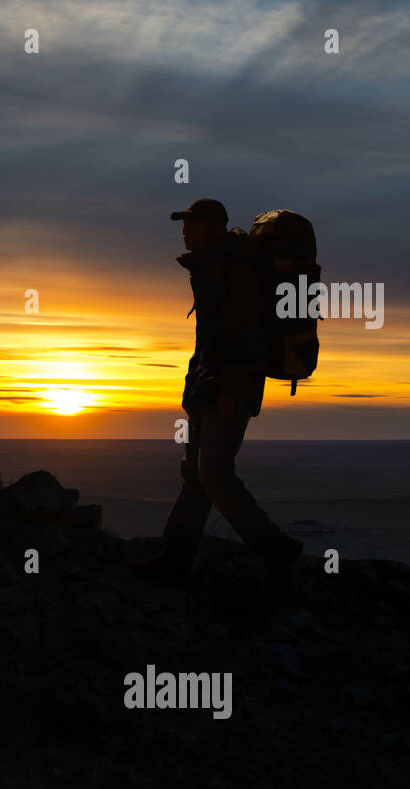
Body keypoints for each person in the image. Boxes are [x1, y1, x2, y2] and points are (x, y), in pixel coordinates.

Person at [129, 198, 303, 595]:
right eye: (184, 224)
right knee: (196, 476)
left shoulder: (234, 267)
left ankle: (276, 549)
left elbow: (248, 335)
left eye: (192, 223)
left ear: (215, 227)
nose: (184, 231)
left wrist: (231, 389)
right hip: (208, 386)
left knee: (215, 476)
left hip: (226, 390)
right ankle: (176, 558)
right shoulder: (212, 265)